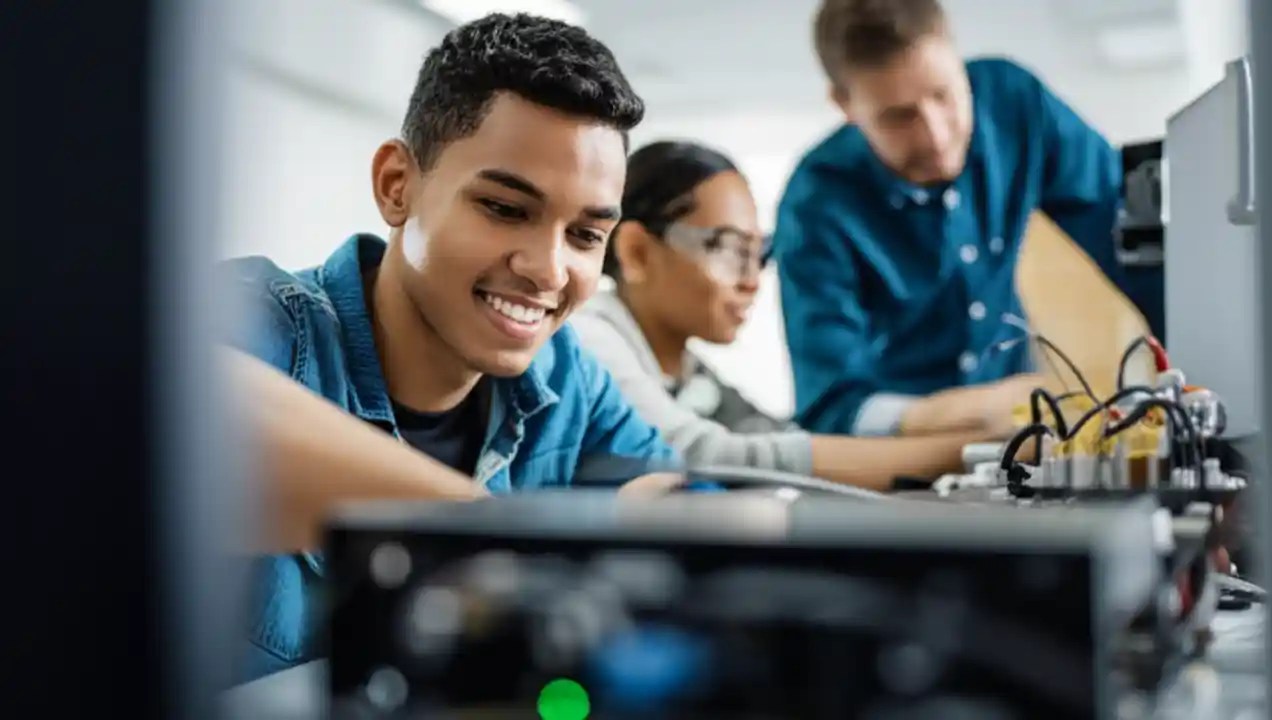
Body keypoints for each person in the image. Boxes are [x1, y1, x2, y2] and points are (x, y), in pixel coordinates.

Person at [220, 13, 685, 681]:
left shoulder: (567, 377)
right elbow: (180, 412)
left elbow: (677, 500)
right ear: (396, 186)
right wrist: (496, 541)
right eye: (504, 208)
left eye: (585, 236)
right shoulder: (262, 319)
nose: (549, 270)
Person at [774, 0, 1162, 437]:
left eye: (943, 94)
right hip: (900, 457)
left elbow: (1136, 246)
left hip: (1018, 432)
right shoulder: (814, 205)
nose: (936, 137)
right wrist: (976, 412)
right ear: (844, 104)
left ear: (957, 57)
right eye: (899, 117)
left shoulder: (1015, 103)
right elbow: (831, 406)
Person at [571, 140, 988, 490]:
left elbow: (779, 437)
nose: (752, 280)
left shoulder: (689, 375)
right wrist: (980, 450)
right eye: (728, 248)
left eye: (759, 254)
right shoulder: (590, 338)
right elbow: (706, 456)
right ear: (637, 252)